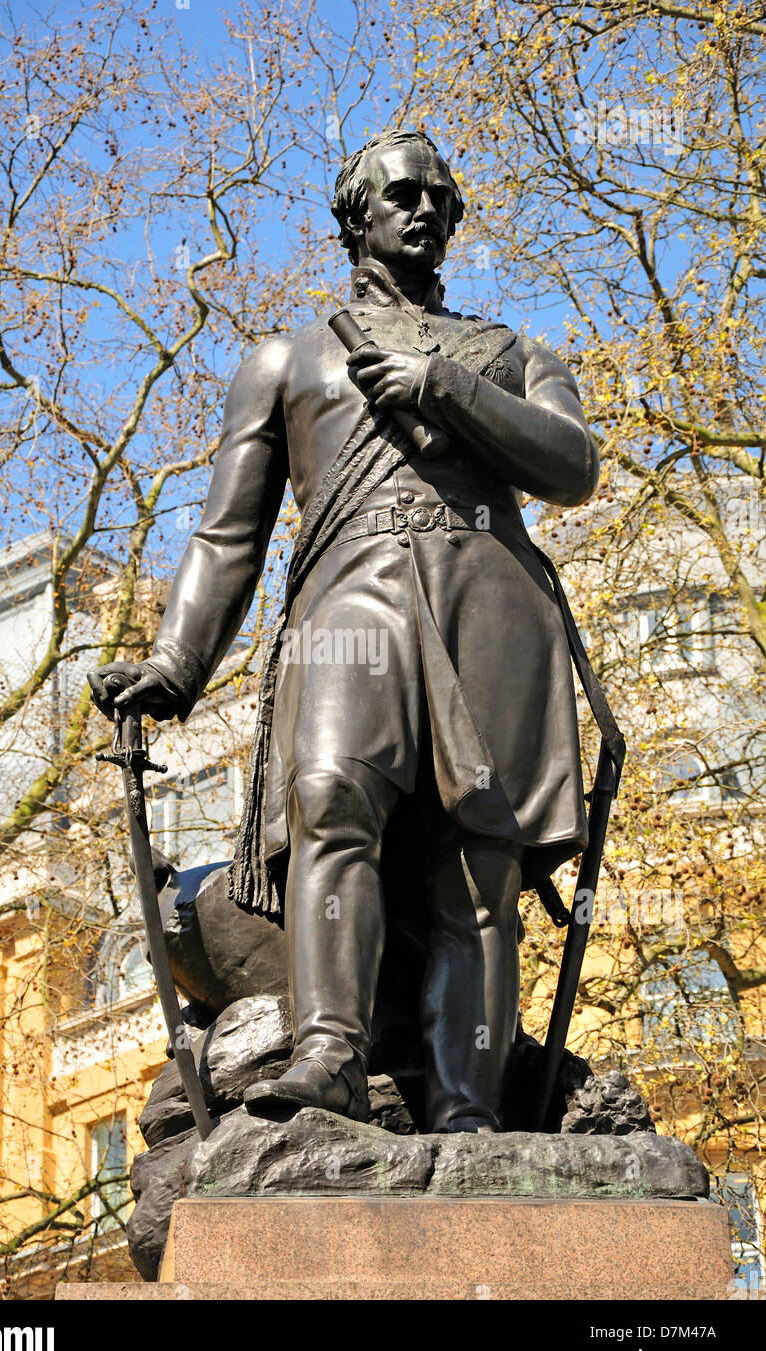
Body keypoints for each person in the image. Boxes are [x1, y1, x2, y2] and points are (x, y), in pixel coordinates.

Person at [89, 130, 601, 1134]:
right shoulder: (283, 361)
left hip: (486, 600)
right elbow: (224, 534)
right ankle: (328, 1050)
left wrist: (443, 388)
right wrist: (174, 663)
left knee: (478, 859)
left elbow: (571, 465)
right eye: (400, 195)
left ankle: (467, 1108)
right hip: (348, 598)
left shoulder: (512, 353)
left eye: (438, 200)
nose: (422, 211)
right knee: (328, 793)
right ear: (352, 218)